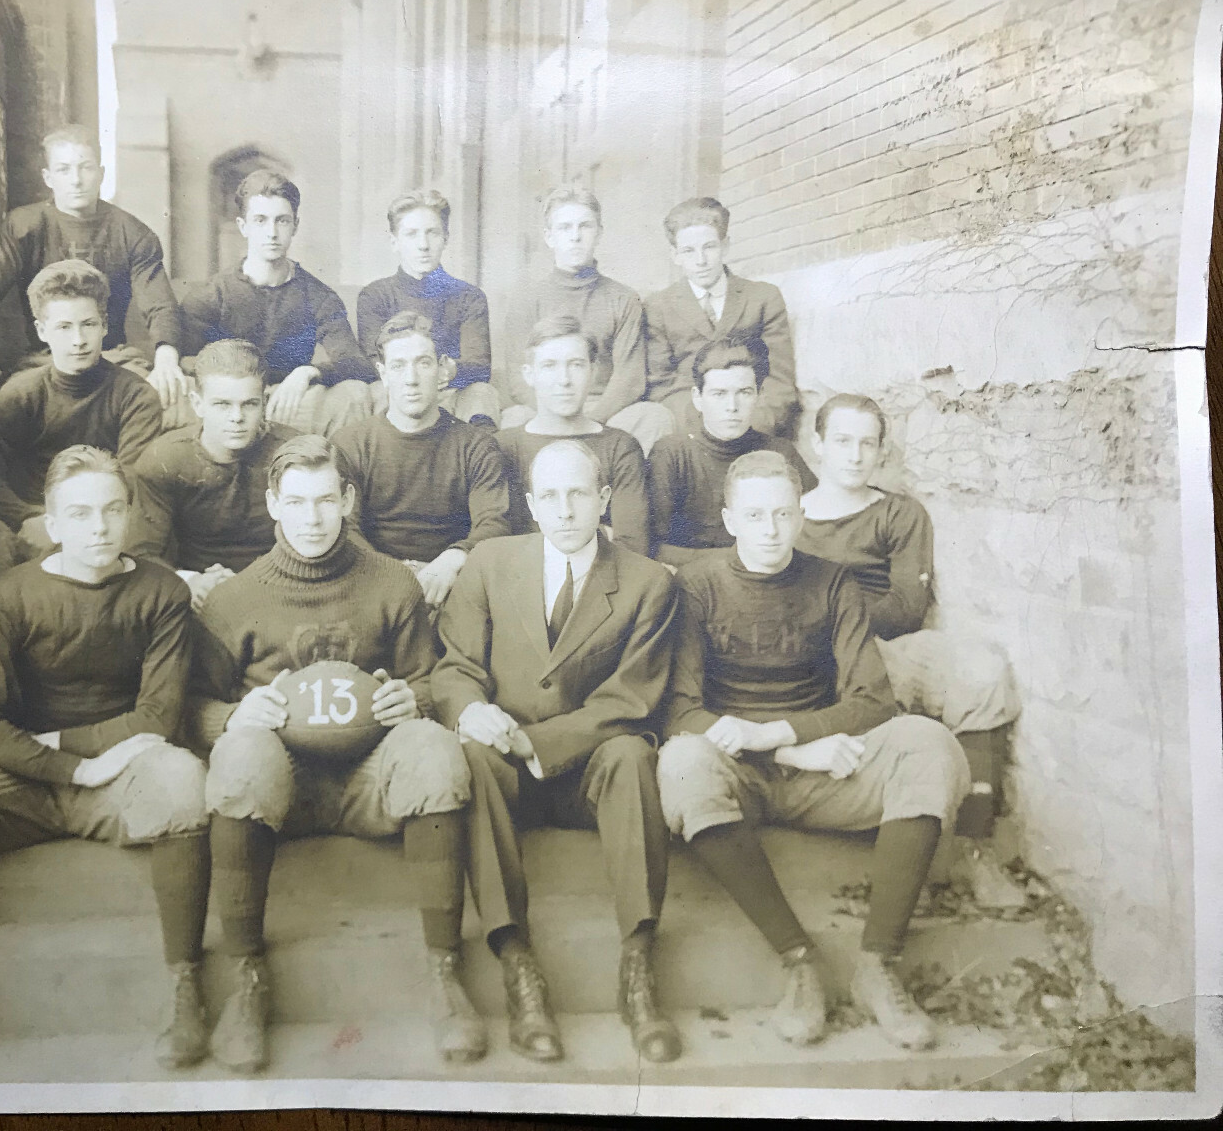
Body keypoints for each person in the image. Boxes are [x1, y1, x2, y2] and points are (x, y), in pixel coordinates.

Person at [0, 445, 211, 1079]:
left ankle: (185, 984)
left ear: (132, 514)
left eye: (113, 510)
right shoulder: (12, 593)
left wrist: (74, 752)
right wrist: (73, 764)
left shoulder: (161, 591)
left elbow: (157, 719)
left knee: (183, 775)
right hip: (26, 780)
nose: (99, 527)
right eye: (79, 514)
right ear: (52, 524)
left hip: (122, 779)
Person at [656, 450, 971, 1052]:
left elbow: (874, 701)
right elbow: (679, 709)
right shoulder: (696, 585)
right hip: (740, 773)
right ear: (728, 521)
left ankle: (877, 963)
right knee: (682, 761)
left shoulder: (833, 582)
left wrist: (783, 735)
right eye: (754, 516)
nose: (770, 530)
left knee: (926, 743)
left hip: (827, 769)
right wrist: (785, 750)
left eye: (781, 514)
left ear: (801, 516)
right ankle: (799, 961)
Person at [188, 435, 483, 1072]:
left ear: (348, 499)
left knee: (432, 749)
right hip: (281, 781)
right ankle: (246, 979)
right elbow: (190, 706)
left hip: (369, 776)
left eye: (326, 500)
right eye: (297, 502)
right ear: (273, 505)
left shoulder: (390, 581)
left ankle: (444, 972)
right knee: (238, 756)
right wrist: (236, 715)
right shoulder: (234, 597)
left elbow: (430, 677)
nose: (313, 517)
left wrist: (413, 699)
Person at [435, 439, 681, 1064]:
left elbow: (632, 698)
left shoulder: (648, 582)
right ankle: (518, 965)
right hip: (505, 768)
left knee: (632, 754)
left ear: (604, 499)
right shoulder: (490, 562)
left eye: (579, 494)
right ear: (530, 503)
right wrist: (472, 709)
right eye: (550, 496)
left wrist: (540, 743)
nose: (565, 509)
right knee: (472, 757)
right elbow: (455, 666)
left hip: (586, 770)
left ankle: (638, 965)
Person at [0, 260, 165, 646]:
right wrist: (31, 518)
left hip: (102, 521)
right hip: (27, 520)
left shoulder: (136, 397)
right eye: (64, 327)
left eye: (88, 325)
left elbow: (133, 481)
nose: (78, 340)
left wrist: (70, 528)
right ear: (42, 331)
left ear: (104, 325)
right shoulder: (21, 393)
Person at [797, 394, 1020, 734]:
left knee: (981, 669)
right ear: (818, 444)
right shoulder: (788, 516)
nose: (855, 457)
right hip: (806, 648)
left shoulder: (899, 513)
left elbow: (905, 608)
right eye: (842, 442)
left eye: (867, 444)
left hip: (882, 644)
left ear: (880, 450)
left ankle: (977, 784)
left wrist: (838, 625)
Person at [0, 125, 187, 406]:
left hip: (111, 357)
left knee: (152, 400)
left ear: (100, 174)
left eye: (85, 168)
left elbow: (159, 302)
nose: (76, 180)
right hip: (44, 359)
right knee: (8, 407)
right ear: (48, 177)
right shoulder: (26, 226)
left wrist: (166, 358)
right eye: (64, 170)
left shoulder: (132, 232)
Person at [332, 312, 512, 607]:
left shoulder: (476, 445)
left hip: (452, 582)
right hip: (371, 580)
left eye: (423, 363)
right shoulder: (350, 444)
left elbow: (494, 523)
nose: (411, 379)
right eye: (398, 366)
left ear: (442, 370)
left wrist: (453, 559)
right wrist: (394, 574)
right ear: (383, 373)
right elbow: (344, 528)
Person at [180, 169, 375, 436]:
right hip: (234, 405)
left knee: (355, 393)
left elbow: (356, 362)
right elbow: (185, 358)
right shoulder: (212, 294)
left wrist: (307, 373)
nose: (272, 232)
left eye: (282, 221)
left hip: (290, 403)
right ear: (243, 226)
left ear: (295, 225)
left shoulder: (318, 296)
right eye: (260, 220)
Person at [499, 186, 674, 456]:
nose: (575, 236)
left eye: (585, 226)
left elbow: (629, 379)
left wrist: (589, 422)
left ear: (599, 232)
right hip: (545, 410)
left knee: (654, 417)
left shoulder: (623, 299)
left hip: (604, 414)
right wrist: (555, 418)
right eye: (565, 227)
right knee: (514, 419)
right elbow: (518, 379)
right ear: (549, 237)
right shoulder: (526, 300)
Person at [126, 339, 289, 611]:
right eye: (222, 405)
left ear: (265, 402)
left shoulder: (292, 454)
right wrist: (190, 582)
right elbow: (140, 552)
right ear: (198, 404)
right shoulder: (164, 459)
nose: (236, 417)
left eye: (249, 404)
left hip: (280, 587)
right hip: (195, 593)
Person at [646, 339, 814, 567]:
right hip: (695, 580)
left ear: (759, 394)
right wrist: (740, 560)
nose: (732, 406)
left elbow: (813, 531)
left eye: (744, 392)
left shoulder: (779, 452)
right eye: (719, 394)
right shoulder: (672, 453)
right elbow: (653, 546)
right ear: (698, 398)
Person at [643, 198, 800, 439]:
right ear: (675, 255)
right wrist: (708, 432)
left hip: (754, 426)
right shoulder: (658, 306)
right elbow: (662, 386)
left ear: (725, 246)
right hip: (692, 431)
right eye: (688, 251)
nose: (701, 261)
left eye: (709, 247)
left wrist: (749, 428)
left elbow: (780, 381)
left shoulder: (762, 297)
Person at [496, 316, 650, 556]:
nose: (564, 380)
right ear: (529, 374)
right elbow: (499, 544)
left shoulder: (620, 447)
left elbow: (632, 545)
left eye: (576, 365)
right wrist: (600, 534)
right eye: (549, 366)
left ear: (593, 371)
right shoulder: (502, 446)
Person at [355, 189, 501, 427]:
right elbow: (373, 363)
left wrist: (450, 370)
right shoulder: (375, 296)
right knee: (379, 392)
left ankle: (479, 459)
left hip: (451, 391)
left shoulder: (469, 297)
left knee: (482, 393)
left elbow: (479, 366)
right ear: (395, 242)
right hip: (402, 391)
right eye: (411, 234)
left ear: (446, 238)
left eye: (432, 233)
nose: (423, 245)